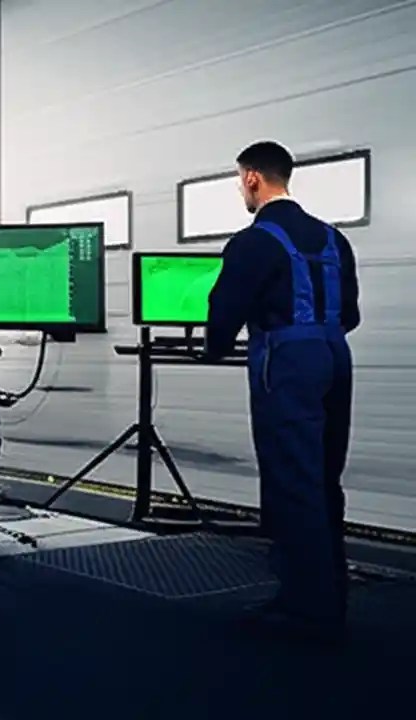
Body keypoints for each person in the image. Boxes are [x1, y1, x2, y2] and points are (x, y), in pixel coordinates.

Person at [204, 140, 360, 642]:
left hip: (288, 362)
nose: (241, 191)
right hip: (334, 357)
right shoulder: (334, 238)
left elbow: (223, 314)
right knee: (324, 478)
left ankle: (305, 610)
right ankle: (330, 596)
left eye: (240, 181)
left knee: (292, 481)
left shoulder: (253, 242)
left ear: (252, 177)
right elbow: (350, 314)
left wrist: (214, 348)